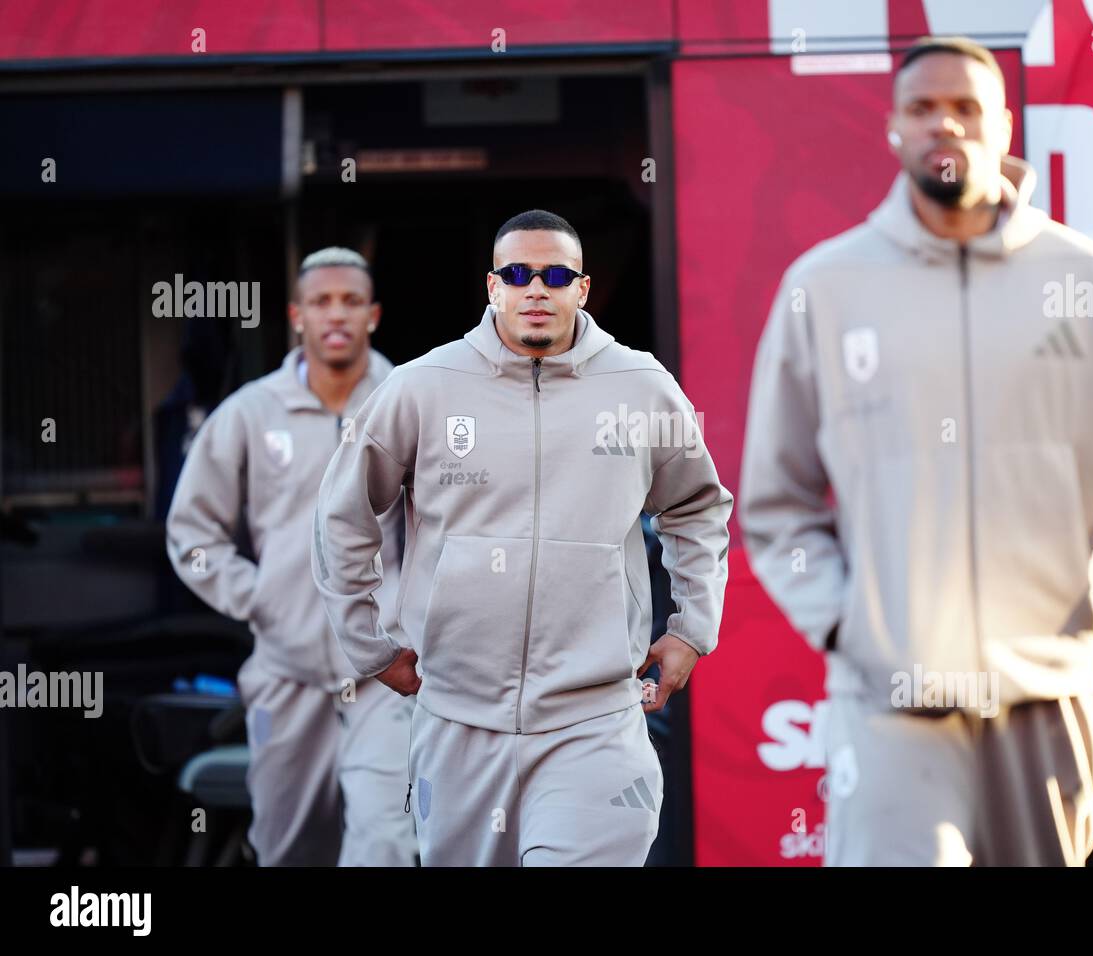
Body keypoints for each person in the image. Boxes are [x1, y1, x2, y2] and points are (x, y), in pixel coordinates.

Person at [739, 36, 1093, 866]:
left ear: (1004, 127)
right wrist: (843, 624)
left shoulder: (1091, 285)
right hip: (892, 705)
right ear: (893, 129)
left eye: (967, 108)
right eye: (924, 108)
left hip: (1048, 705)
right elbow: (773, 505)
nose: (946, 125)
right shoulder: (825, 288)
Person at [312, 210, 732, 866]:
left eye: (556, 274)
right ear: (492, 287)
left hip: (595, 721)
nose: (537, 288)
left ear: (583, 289)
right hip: (456, 721)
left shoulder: (642, 385)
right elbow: (343, 516)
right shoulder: (422, 385)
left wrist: (692, 627)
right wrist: (368, 645)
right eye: (518, 273)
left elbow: (697, 509)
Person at [167, 247, 415, 866]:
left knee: (385, 840)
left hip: (389, 675)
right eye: (321, 302)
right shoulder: (249, 413)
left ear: (374, 314)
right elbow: (192, 534)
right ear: (296, 316)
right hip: (286, 674)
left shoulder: (411, 401)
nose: (337, 315)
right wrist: (260, 598)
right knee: (288, 851)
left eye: (351, 301)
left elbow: (459, 527)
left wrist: (422, 614)